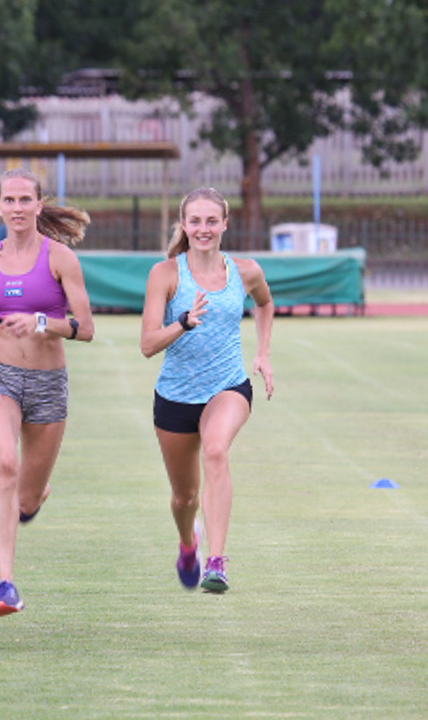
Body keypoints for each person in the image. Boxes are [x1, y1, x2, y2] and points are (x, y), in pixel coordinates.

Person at [0, 168, 95, 618]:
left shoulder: (61, 259)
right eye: (10, 200)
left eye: (26, 200)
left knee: (25, 497)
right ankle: (5, 585)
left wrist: (42, 322)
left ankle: (34, 496)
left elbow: (85, 329)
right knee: (6, 462)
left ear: (39, 205)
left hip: (48, 386)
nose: (18, 208)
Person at [140, 187, 274, 594]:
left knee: (216, 449)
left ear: (225, 224)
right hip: (176, 398)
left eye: (211, 221)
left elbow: (265, 305)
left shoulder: (245, 271)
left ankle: (217, 562)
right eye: (195, 221)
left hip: (228, 386)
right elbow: (147, 344)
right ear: (184, 225)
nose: (203, 229)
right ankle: (188, 544)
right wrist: (182, 322)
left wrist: (263, 353)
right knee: (185, 498)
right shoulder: (165, 275)